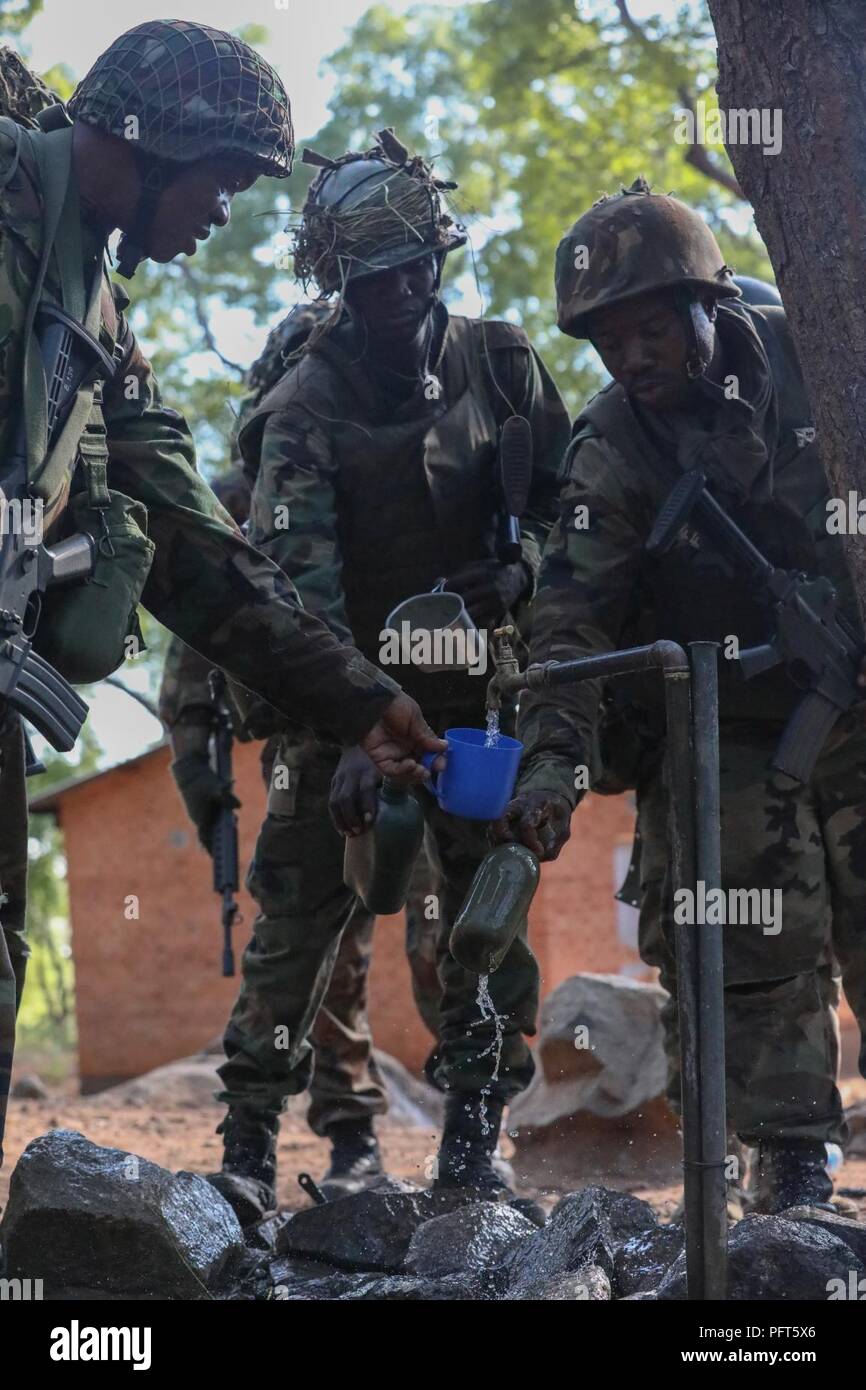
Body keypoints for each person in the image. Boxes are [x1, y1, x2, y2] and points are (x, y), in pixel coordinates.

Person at [0, 23, 442, 1164]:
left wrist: (358, 700)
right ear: (154, 144)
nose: (223, 217)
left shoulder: (97, 318)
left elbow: (199, 550)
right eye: (224, 182)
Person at [210, 129, 571, 1210]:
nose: (397, 292)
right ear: (335, 281)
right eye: (370, 278)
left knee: (482, 923)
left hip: (476, 711)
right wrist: (343, 735)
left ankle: (472, 1141)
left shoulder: (501, 364)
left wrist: (522, 567)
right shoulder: (303, 410)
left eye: (414, 267)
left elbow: (581, 515)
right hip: (340, 712)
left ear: (439, 257)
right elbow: (292, 595)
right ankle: (243, 1152)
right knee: (297, 930)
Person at [496, 177, 863, 1213]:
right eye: (608, 343)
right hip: (727, 730)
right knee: (737, 937)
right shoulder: (612, 445)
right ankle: (786, 1162)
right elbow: (567, 621)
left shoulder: (818, 357)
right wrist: (551, 765)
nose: (631, 358)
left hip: (858, 703)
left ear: (708, 300)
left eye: (650, 328)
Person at [158, 458, 443, 1200]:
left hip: (424, 737)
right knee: (319, 958)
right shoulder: (228, 513)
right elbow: (192, 679)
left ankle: (470, 1133)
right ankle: (333, 1136)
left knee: (441, 936)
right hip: (309, 759)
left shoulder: (385, 487)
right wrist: (207, 795)